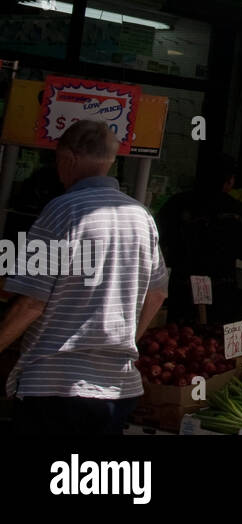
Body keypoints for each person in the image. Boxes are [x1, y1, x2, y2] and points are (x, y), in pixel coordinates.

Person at [0, 121, 169, 435]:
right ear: (110, 161)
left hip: (55, 386)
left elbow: (31, 304)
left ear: (67, 158)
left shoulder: (61, 211)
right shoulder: (142, 217)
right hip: (117, 389)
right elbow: (157, 294)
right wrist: (125, 342)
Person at [155, 154, 242, 323]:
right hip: (222, 288)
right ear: (230, 181)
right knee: (213, 341)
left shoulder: (177, 203)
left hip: (181, 285)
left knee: (178, 337)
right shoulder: (240, 211)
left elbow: (158, 240)